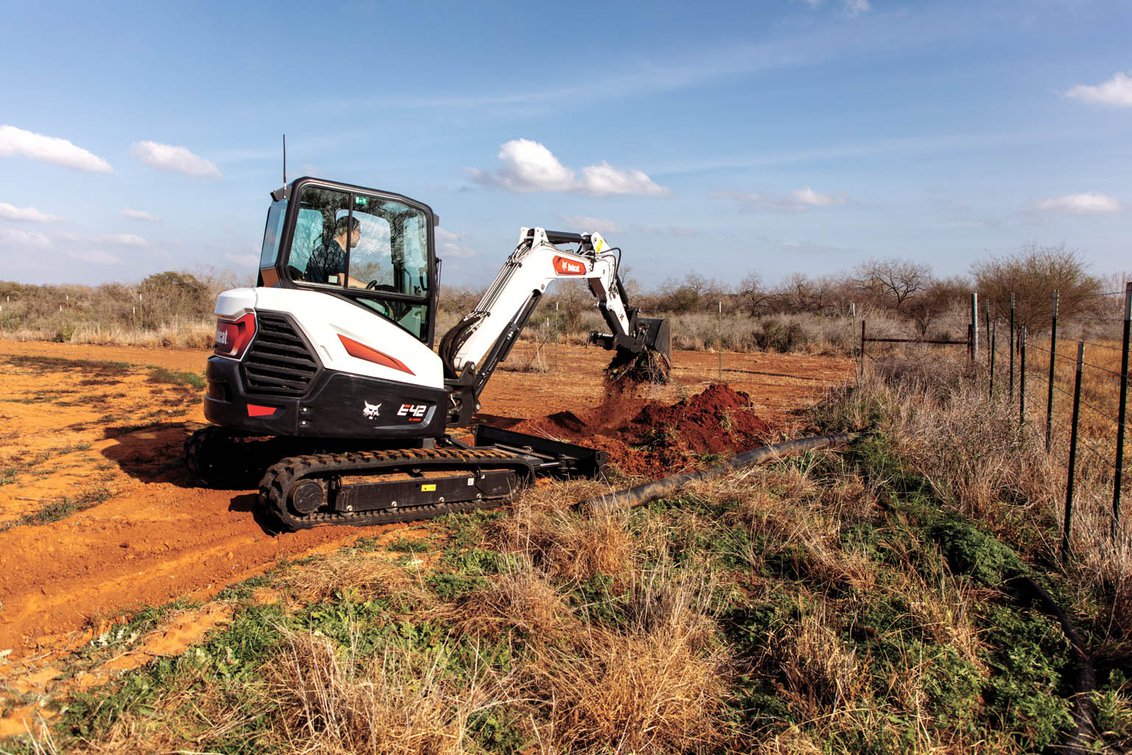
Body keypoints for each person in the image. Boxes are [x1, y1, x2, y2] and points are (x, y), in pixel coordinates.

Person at [305, 216, 361, 285]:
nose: (359, 237)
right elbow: (336, 278)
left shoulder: (330, 248)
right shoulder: (333, 251)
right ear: (351, 233)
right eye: (359, 232)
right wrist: (367, 287)